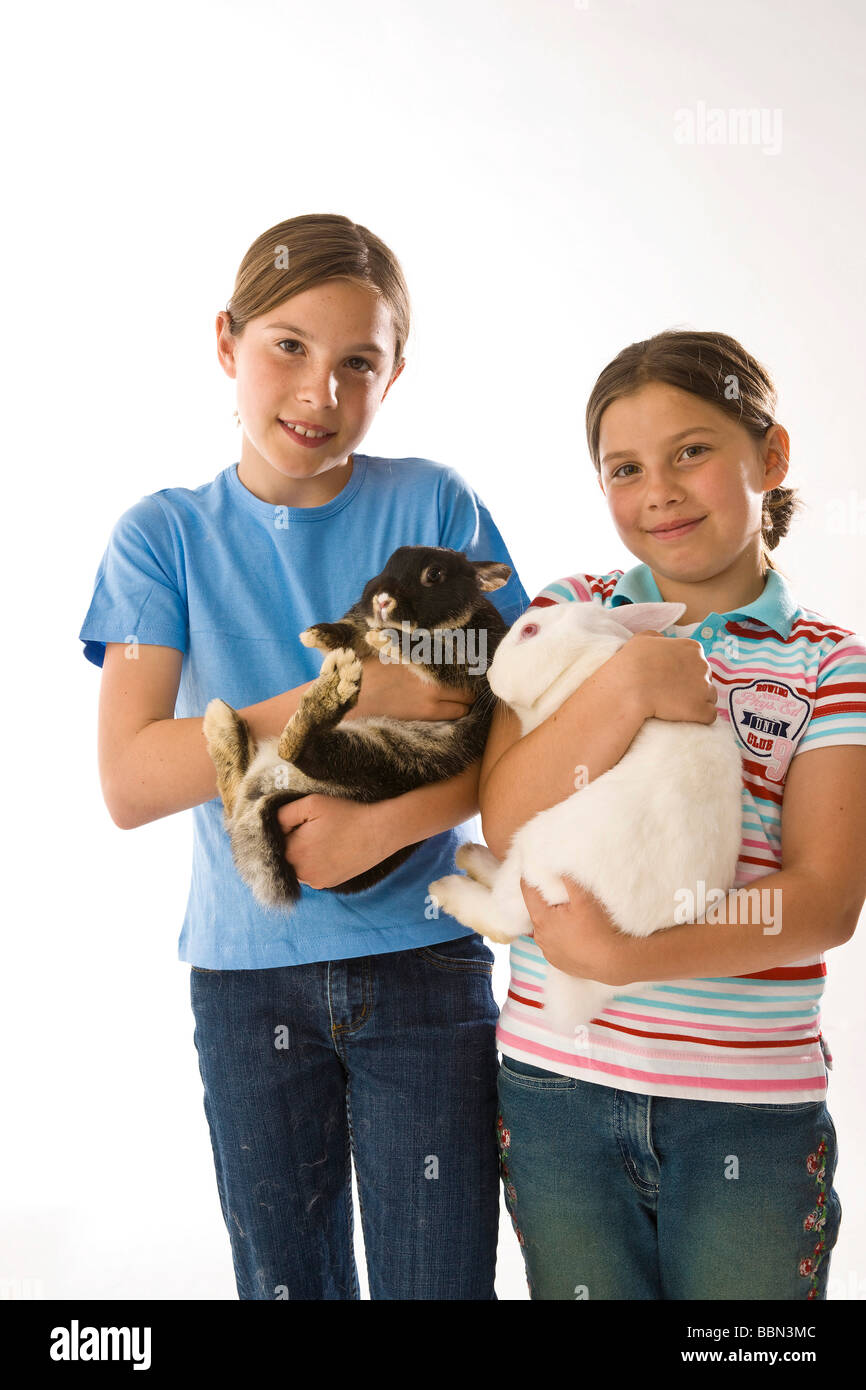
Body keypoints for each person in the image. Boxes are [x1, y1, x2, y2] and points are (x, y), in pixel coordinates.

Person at [78, 213, 530, 1300]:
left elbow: (526, 738)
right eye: (288, 346)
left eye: (356, 363)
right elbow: (132, 779)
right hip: (247, 983)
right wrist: (342, 692)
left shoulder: (435, 504)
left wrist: (383, 825)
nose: (318, 392)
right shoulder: (163, 537)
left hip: (426, 966)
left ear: (395, 373)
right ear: (226, 341)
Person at [480, 329, 866, 1300]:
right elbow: (504, 815)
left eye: (689, 450)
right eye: (623, 467)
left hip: (745, 1107)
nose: (655, 489)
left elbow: (818, 902)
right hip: (555, 1086)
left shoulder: (829, 664)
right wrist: (621, 695)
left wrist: (620, 956)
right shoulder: (567, 610)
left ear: (768, 456)